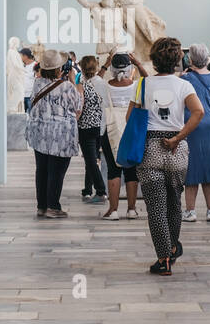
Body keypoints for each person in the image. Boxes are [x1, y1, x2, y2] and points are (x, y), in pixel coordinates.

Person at [128, 37, 203, 275]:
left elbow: (131, 118)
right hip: (177, 148)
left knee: (156, 207)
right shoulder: (184, 85)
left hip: (150, 147)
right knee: (174, 204)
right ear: (178, 59)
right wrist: (177, 138)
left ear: (154, 59)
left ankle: (164, 259)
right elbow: (198, 112)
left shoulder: (142, 84)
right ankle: (171, 246)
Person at [26, 49, 82, 218]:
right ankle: (53, 207)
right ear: (59, 69)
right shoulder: (66, 86)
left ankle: (42, 206)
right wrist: (73, 81)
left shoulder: (37, 84)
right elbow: (77, 106)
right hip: (61, 135)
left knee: (42, 169)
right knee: (57, 170)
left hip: (39, 133)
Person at [181, 43, 210, 222]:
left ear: (190, 59)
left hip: (193, 124)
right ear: (207, 58)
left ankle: (190, 211)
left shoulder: (184, 79)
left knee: (192, 167)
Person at [98, 53, 144, 220]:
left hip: (111, 130)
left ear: (112, 68)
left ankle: (113, 210)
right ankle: (131, 210)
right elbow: (149, 80)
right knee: (131, 170)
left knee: (113, 169)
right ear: (129, 67)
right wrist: (138, 63)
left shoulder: (104, 86)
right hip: (131, 129)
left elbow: (93, 82)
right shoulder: (136, 85)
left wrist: (104, 65)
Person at [76, 56, 108, 204]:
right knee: (92, 159)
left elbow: (79, 108)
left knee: (90, 161)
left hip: (86, 127)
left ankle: (101, 191)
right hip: (99, 127)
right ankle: (87, 189)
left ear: (82, 69)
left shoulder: (82, 85)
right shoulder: (102, 83)